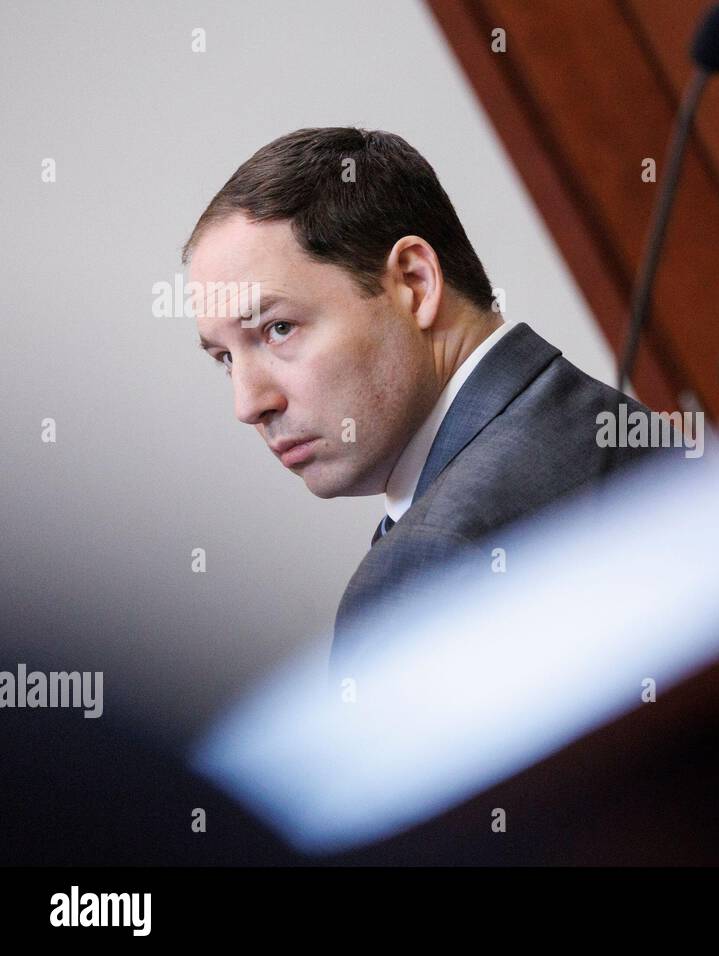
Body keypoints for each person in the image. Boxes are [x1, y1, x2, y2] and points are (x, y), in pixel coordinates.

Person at [183, 127, 670, 684]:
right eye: (224, 357)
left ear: (415, 283)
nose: (249, 404)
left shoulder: (427, 567)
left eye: (278, 328)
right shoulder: (601, 422)